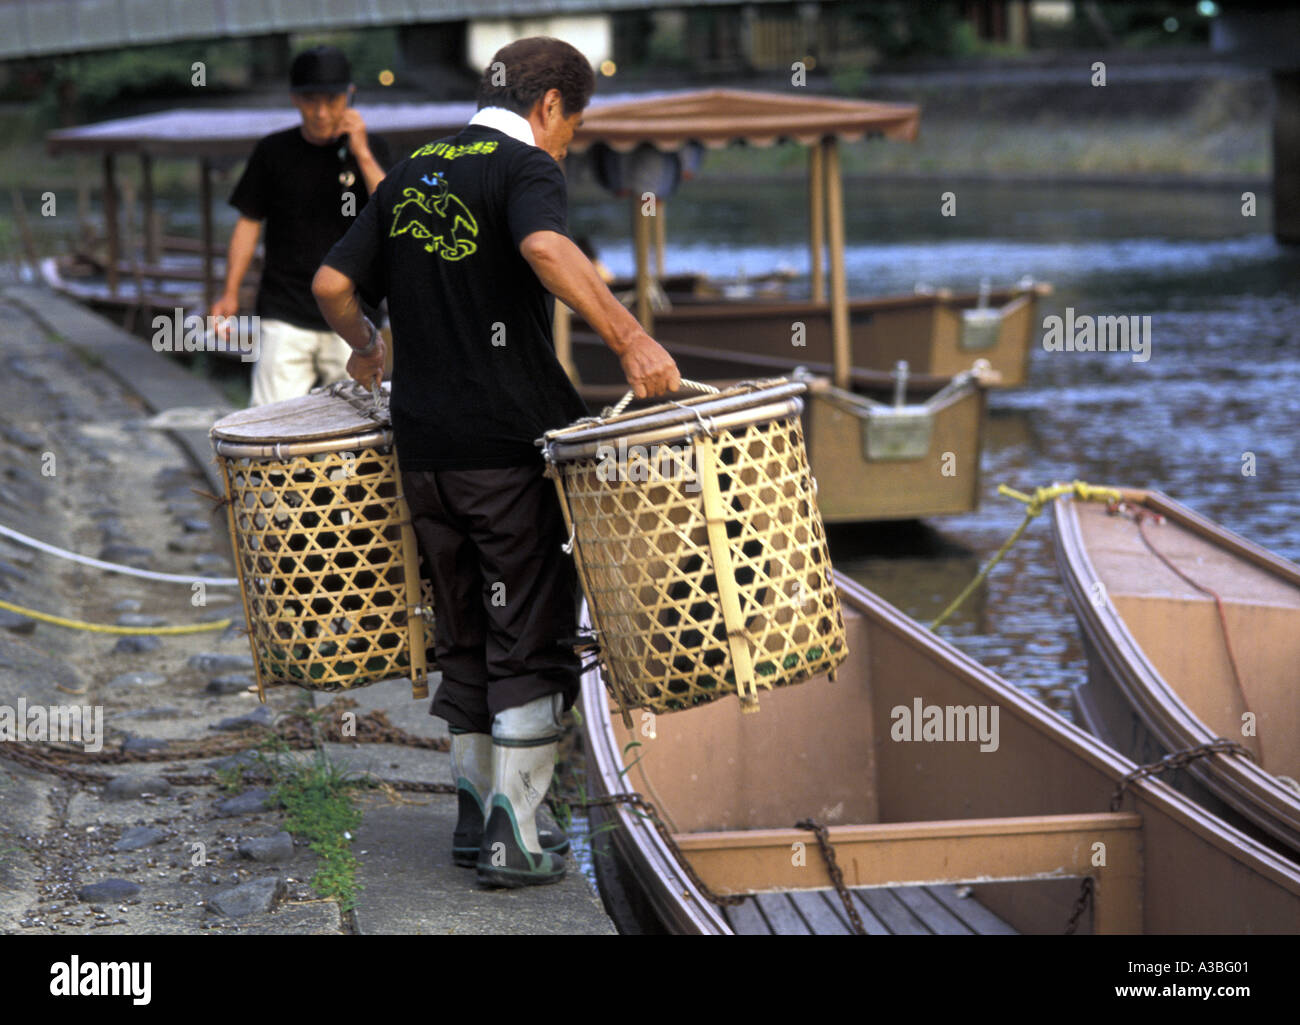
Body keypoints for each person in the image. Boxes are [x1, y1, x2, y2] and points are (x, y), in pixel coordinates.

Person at [312, 36, 679, 888]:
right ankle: (518, 833)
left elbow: (332, 284)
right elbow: (546, 249)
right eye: (571, 128)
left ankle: (475, 820)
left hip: (425, 453)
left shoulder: (412, 171)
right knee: (528, 630)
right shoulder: (524, 167)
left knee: (466, 628)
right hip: (508, 448)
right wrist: (631, 338)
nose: (566, 147)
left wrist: (367, 345)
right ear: (549, 105)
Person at [210, 45, 390, 406]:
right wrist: (230, 292)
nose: (321, 112)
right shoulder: (272, 151)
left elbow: (393, 212)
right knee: (271, 419)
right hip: (285, 309)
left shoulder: (373, 149)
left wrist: (362, 153)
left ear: (349, 96)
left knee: (357, 422)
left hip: (355, 315)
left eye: (332, 100)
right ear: (295, 99)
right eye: (311, 101)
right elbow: (248, 222)